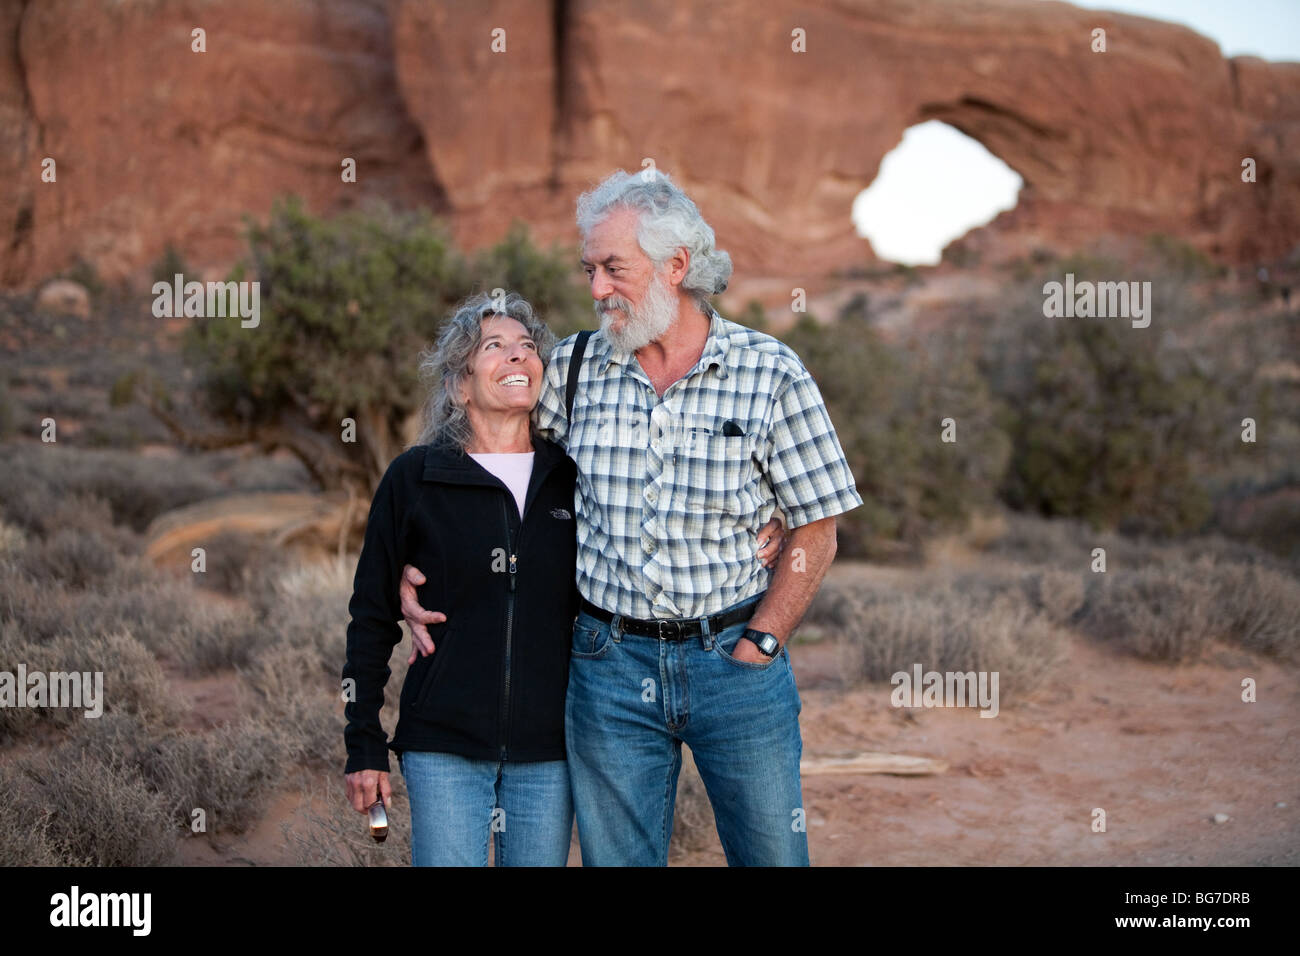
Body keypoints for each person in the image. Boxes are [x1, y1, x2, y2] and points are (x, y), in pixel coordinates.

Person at [400, 170, 863, 866]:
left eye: (614, 268)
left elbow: (818, 527)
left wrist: (763, 641)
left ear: (676, 266)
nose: (595, 289)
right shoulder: (576, 370)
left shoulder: (772, 373)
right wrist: (416, 554)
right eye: (589, 269)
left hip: (735, 662)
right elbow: (480, 449)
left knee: (772, 854)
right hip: (606, 669)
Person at [343, 290, 785, 866]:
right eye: (494, 347)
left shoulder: (573, 476)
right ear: (460, 384)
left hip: (549, 750)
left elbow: (666, 514)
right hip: (443, 741)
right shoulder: (418, 477)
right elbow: (371, 615)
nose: (517, 357)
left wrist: (769, 513)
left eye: (528, 347)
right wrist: (364, 742)